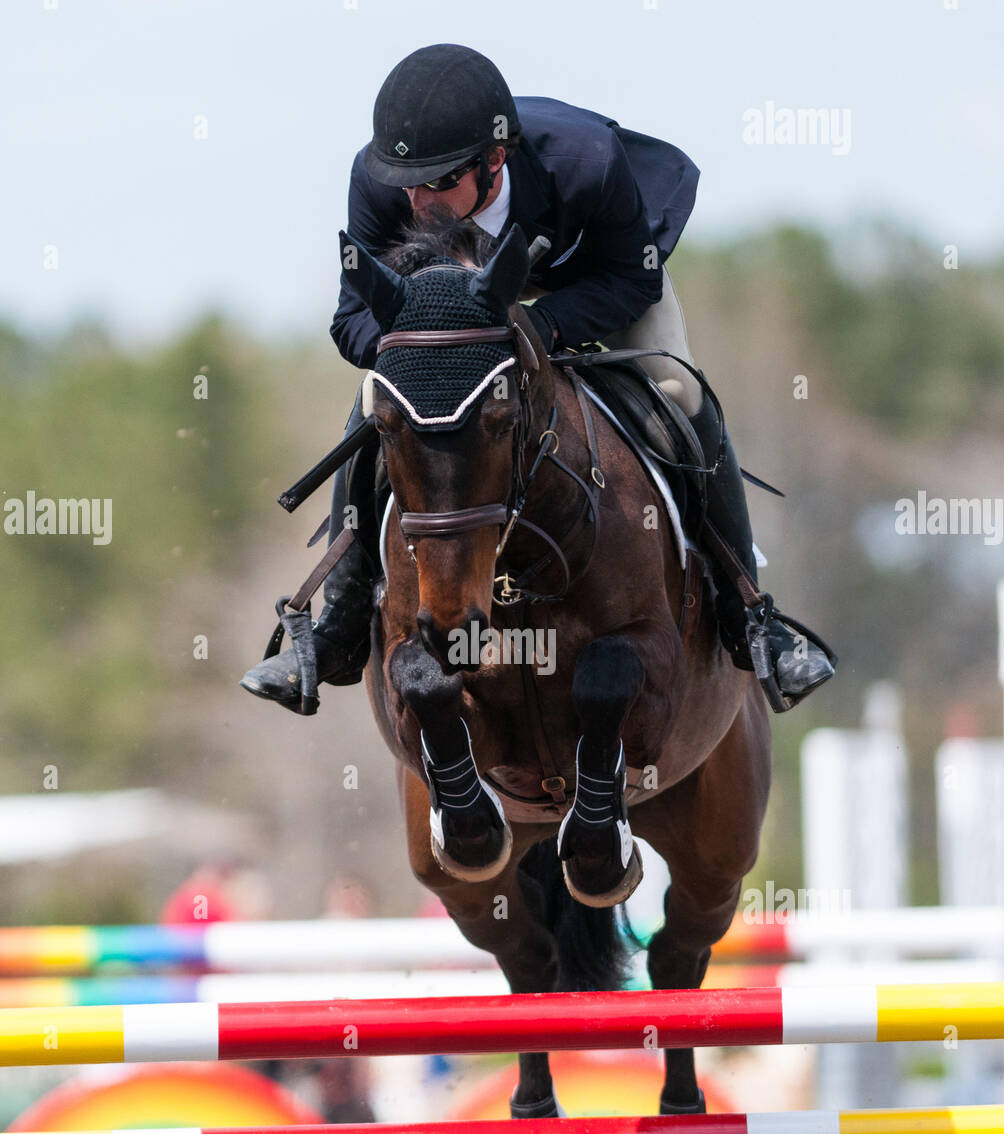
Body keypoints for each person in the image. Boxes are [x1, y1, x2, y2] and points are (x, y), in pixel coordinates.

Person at [241, 43, 834, 713]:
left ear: (494, 160)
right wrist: (433, 346)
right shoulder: (383, 182)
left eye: (437, 183)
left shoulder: (586, 161)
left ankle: (750, 619)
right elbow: (352, 319)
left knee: (681, 392)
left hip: (588, 284)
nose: (417, 198)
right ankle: (340, 625)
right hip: (454, 319)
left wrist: (541, 328)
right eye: (410, 182)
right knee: (377, 402)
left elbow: (632, 277)